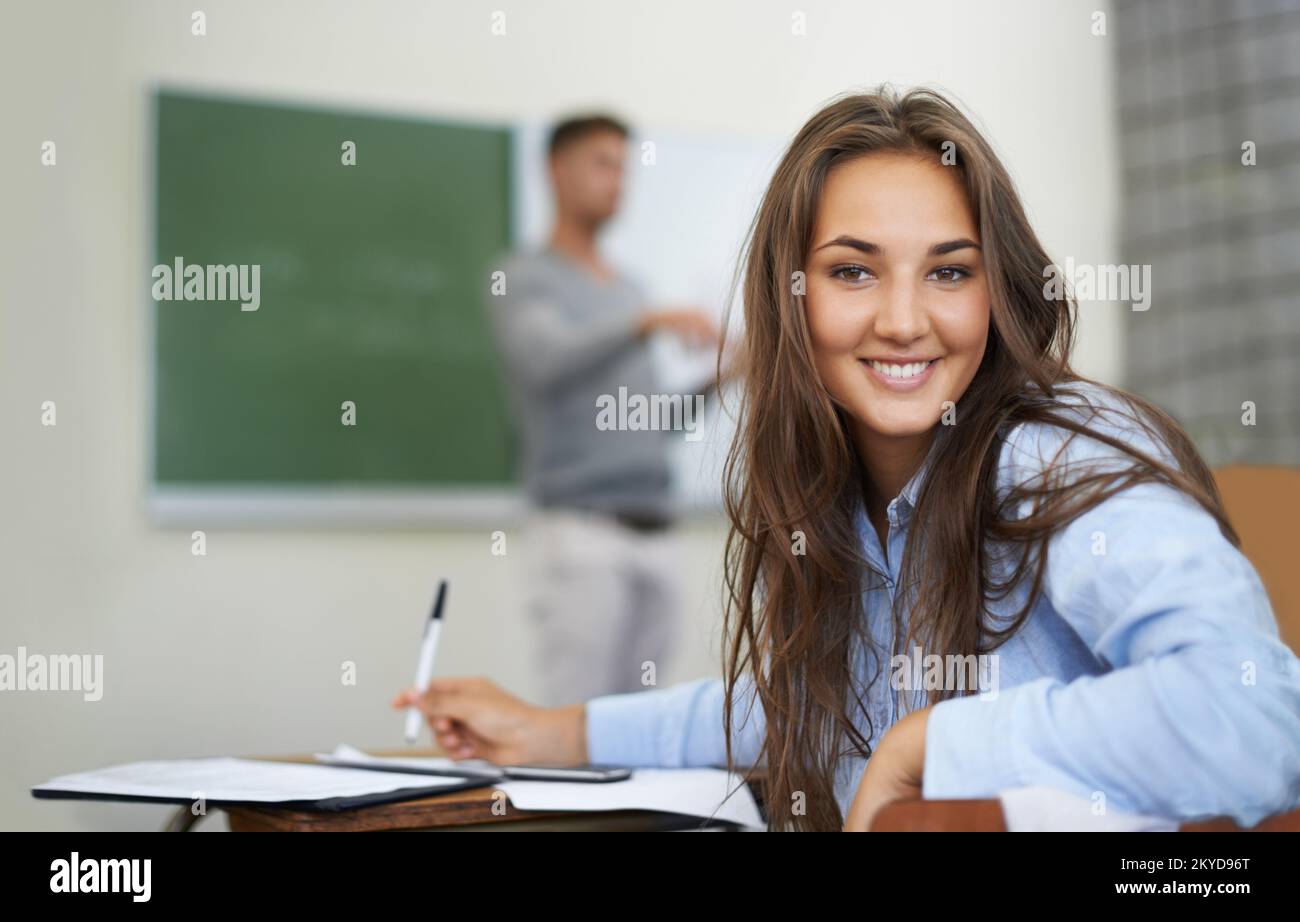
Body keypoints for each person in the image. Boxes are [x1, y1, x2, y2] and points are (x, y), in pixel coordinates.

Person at [399, 88, 1300, 831]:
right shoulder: (852, 489)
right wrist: (549, 730)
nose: (904, 320)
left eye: (950, 271)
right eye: (853, 271)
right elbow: (802, 711)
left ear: (1000, 291)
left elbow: (1260, 719)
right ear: (789, 299)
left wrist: (929, 745)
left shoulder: (1050, 451)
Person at [486, 114, 721, 705]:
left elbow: (649, 424)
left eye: (623, 167)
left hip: (655, 528)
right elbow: (546, 360)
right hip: (580, 532)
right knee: (573, 721)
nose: (617, 181)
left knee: (637, 721)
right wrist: (645, 323)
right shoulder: (523, 278)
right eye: (601, 163)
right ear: (555, 171)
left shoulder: (630, 289)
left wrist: (720, 379)